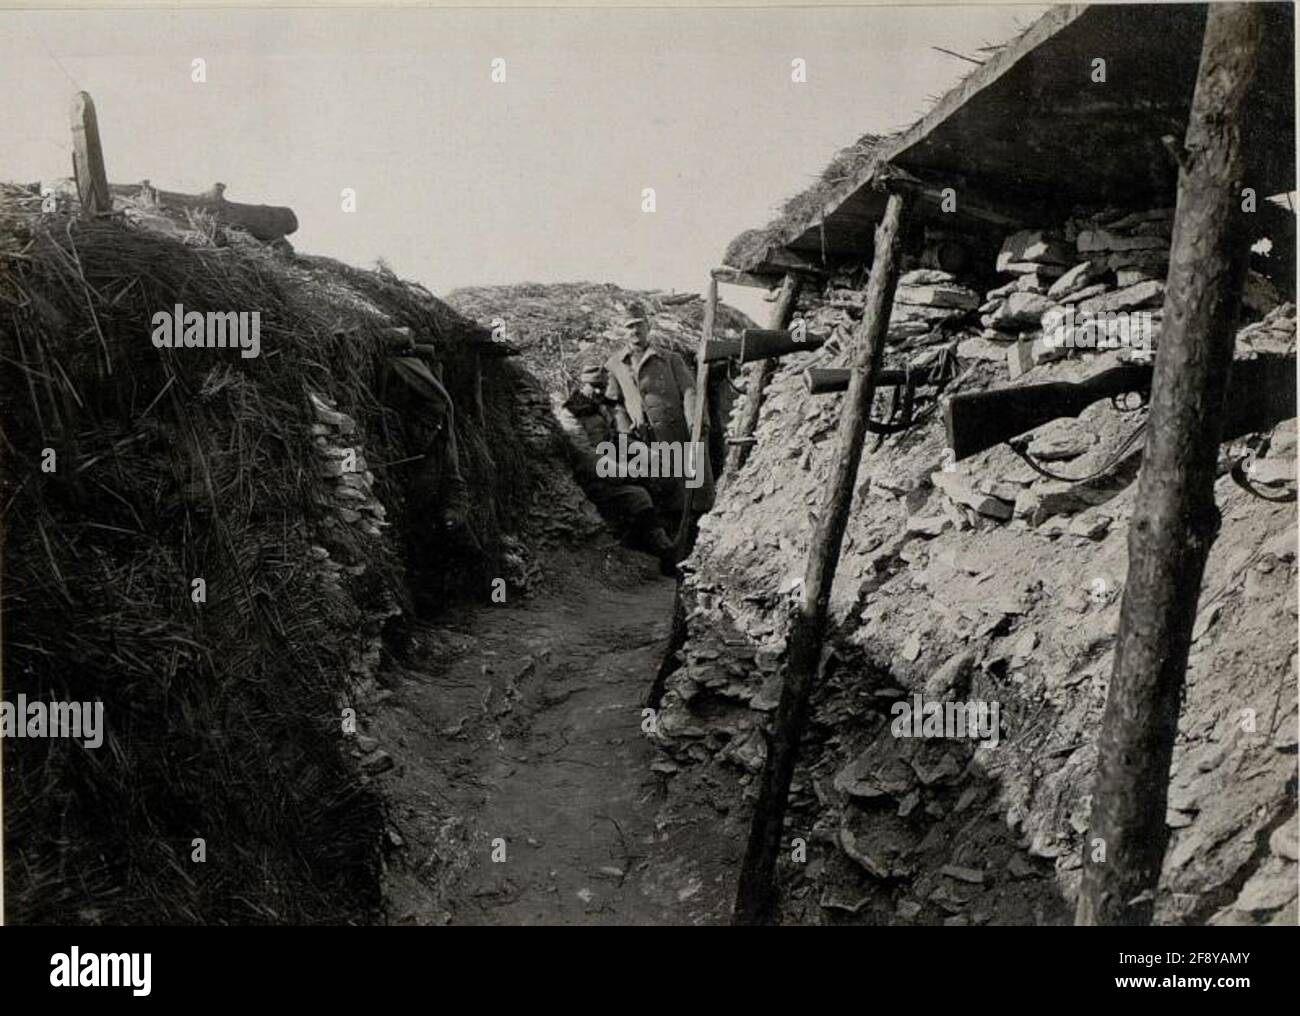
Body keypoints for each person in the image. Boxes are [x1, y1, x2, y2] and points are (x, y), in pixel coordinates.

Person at [603, 302, 714, 526]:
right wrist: (626, 431)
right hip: (646, 440)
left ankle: (699, 536)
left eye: (639, 325)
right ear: (622, 330)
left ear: (648, 326)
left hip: (678, 435)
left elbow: (690, 391)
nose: (634, 331)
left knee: (693, 491)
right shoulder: (615, 364)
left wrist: (695, 421)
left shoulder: (671, 359)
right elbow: (615, 403)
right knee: (662, 494)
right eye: (629, 326)